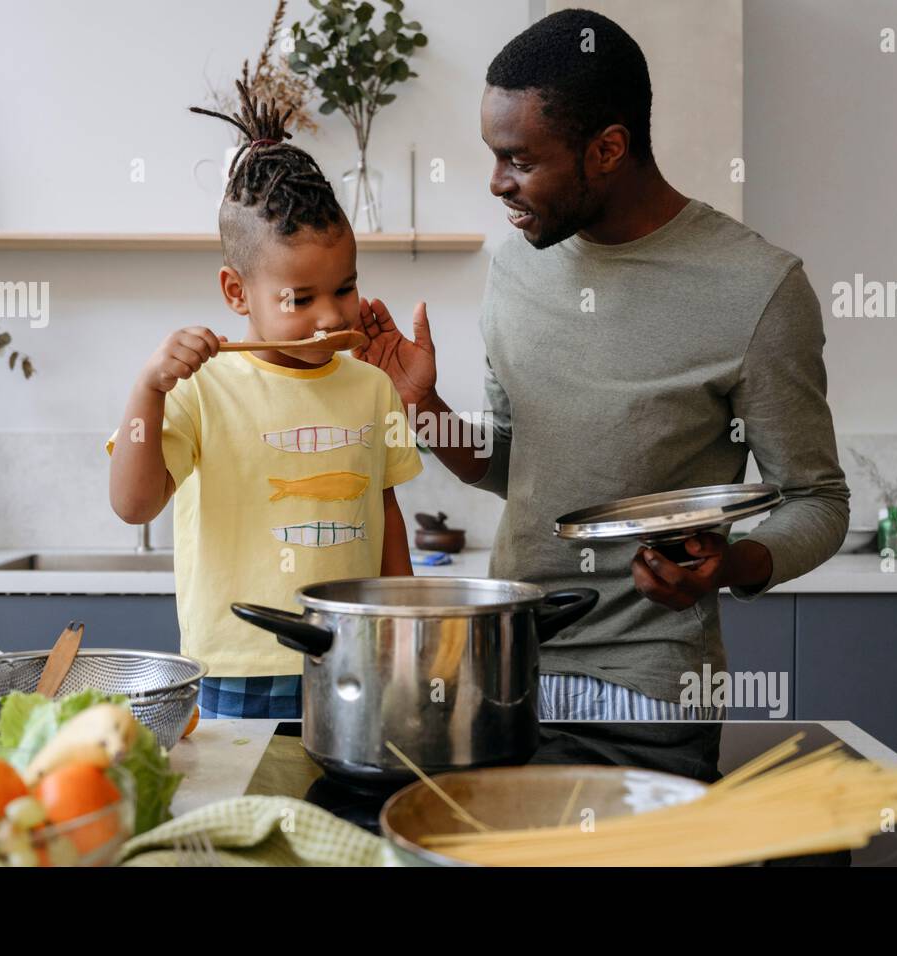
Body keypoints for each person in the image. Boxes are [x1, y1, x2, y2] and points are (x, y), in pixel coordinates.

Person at [355, 9, 849, 723]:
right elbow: (513, 463)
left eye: (520, 160)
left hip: (648, 683)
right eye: (494, 156)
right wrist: (423, 409)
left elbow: (818, 500)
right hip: (506, 665)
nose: (496, 183)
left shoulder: (756, 288)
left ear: (609, 149)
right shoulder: (515, 266)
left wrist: (730, 566)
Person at [108, 83, 421, 719]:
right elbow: (133, 505)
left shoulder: (371, 385)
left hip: (353, 655)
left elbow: (386, 514)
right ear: (236, 291)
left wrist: (403, 635)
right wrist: (148, 388)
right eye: (298, 299)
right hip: (236, 667)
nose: (330, 314)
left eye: (346, 287)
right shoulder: (201, 384)